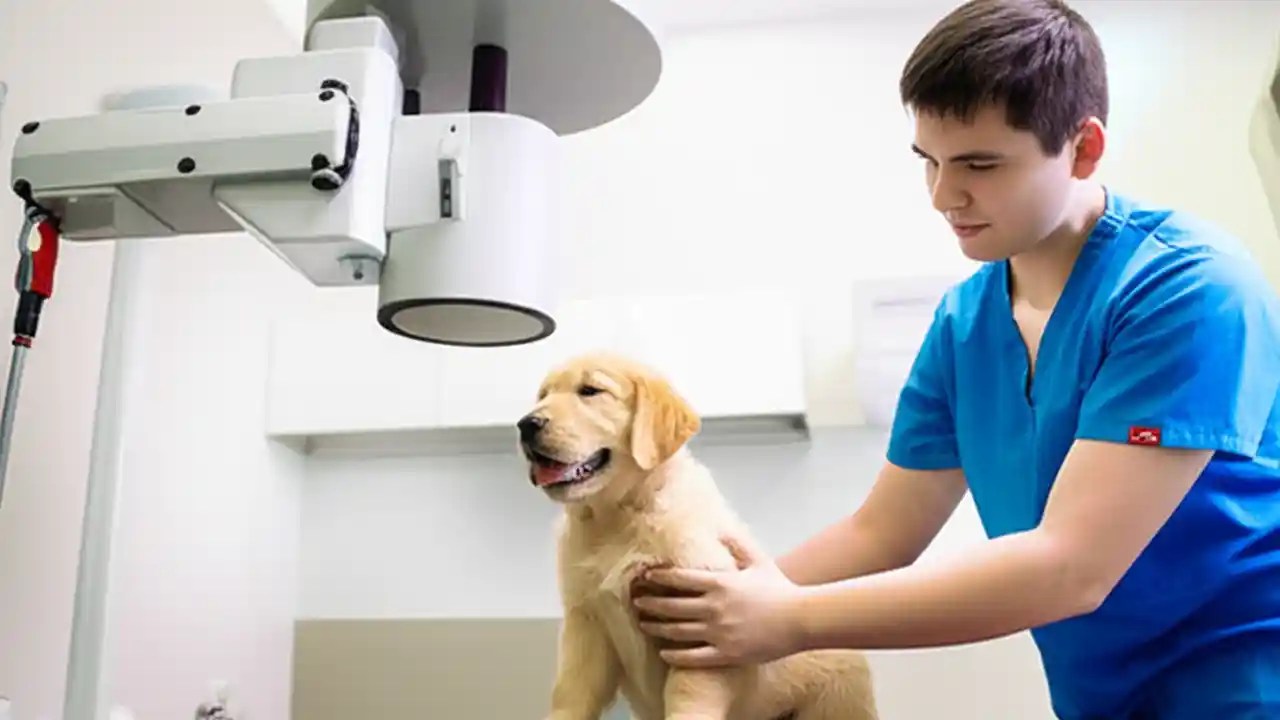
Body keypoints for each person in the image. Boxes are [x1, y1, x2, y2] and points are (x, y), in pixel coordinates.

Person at [630, 1, 1280, 718]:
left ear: (1084, 147)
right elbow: (882, 532)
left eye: (979, 163)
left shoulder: (1189, 288)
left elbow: (1073, 567)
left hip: (1247, 681)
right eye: (930, 162)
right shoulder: (964, 324)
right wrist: (712, 603)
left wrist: (788, 620)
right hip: (1099, 694)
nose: (944, 196)